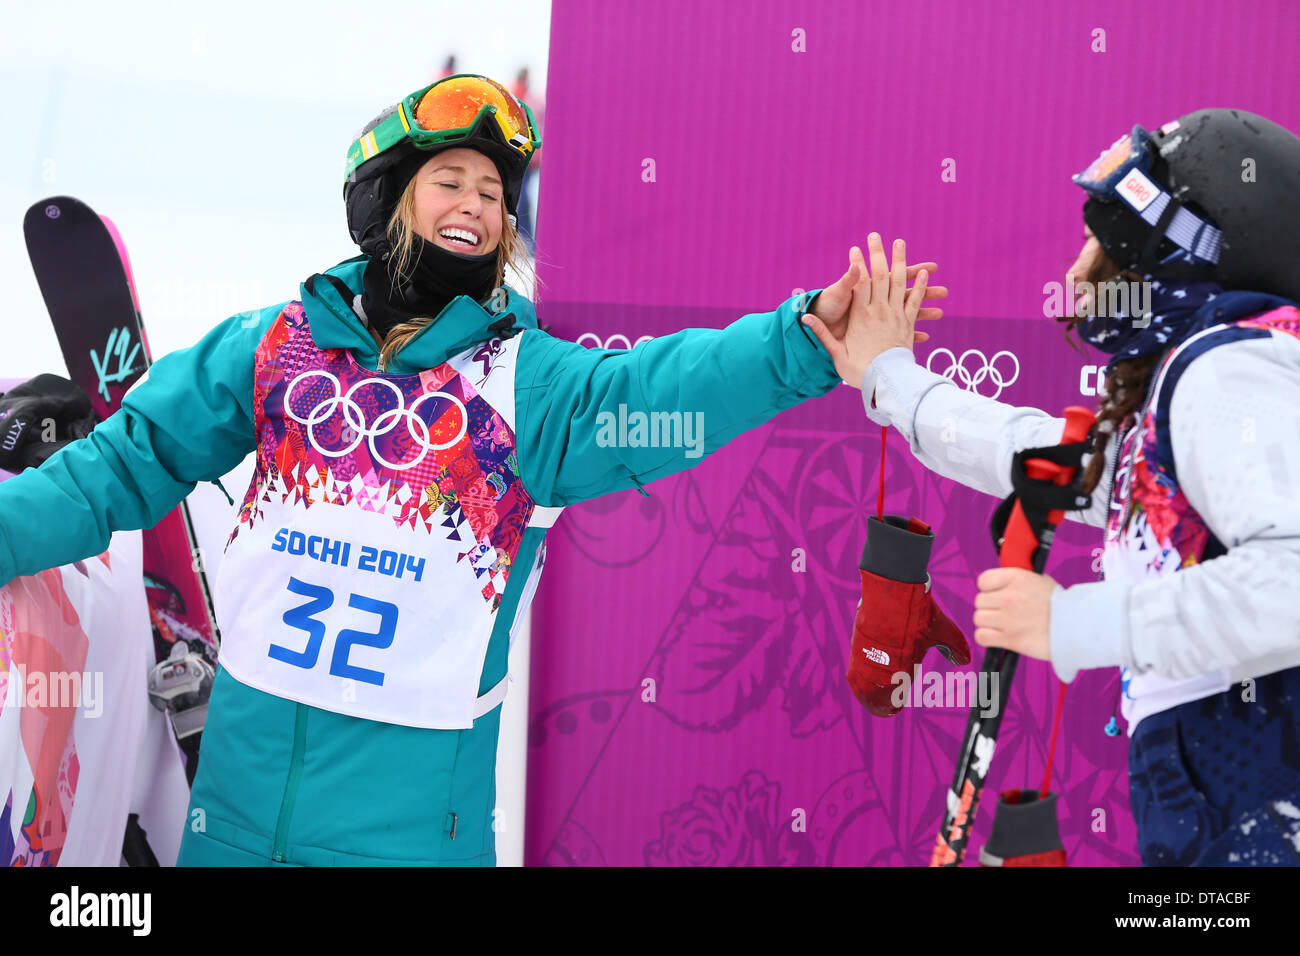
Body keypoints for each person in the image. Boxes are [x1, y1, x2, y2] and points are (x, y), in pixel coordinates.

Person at [0, 73, 941, 865]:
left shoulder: (527, 388)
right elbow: (117, 468)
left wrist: (802, 341)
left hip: (410, 838)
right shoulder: (274, 347)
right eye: (450, 180)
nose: (478, 206)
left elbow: (663, 388)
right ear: (389, 197)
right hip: (234, 822)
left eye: (494, 195)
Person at [804, 110, 1300, 866]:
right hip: (1217, 781)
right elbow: (1035, 458)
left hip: (1251, 772)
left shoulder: (1226, 370)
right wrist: (888, 378)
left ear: (1158, 249)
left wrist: (1072, 624)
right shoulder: (1191, 384)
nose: (1075, 262)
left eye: (1097, 234)